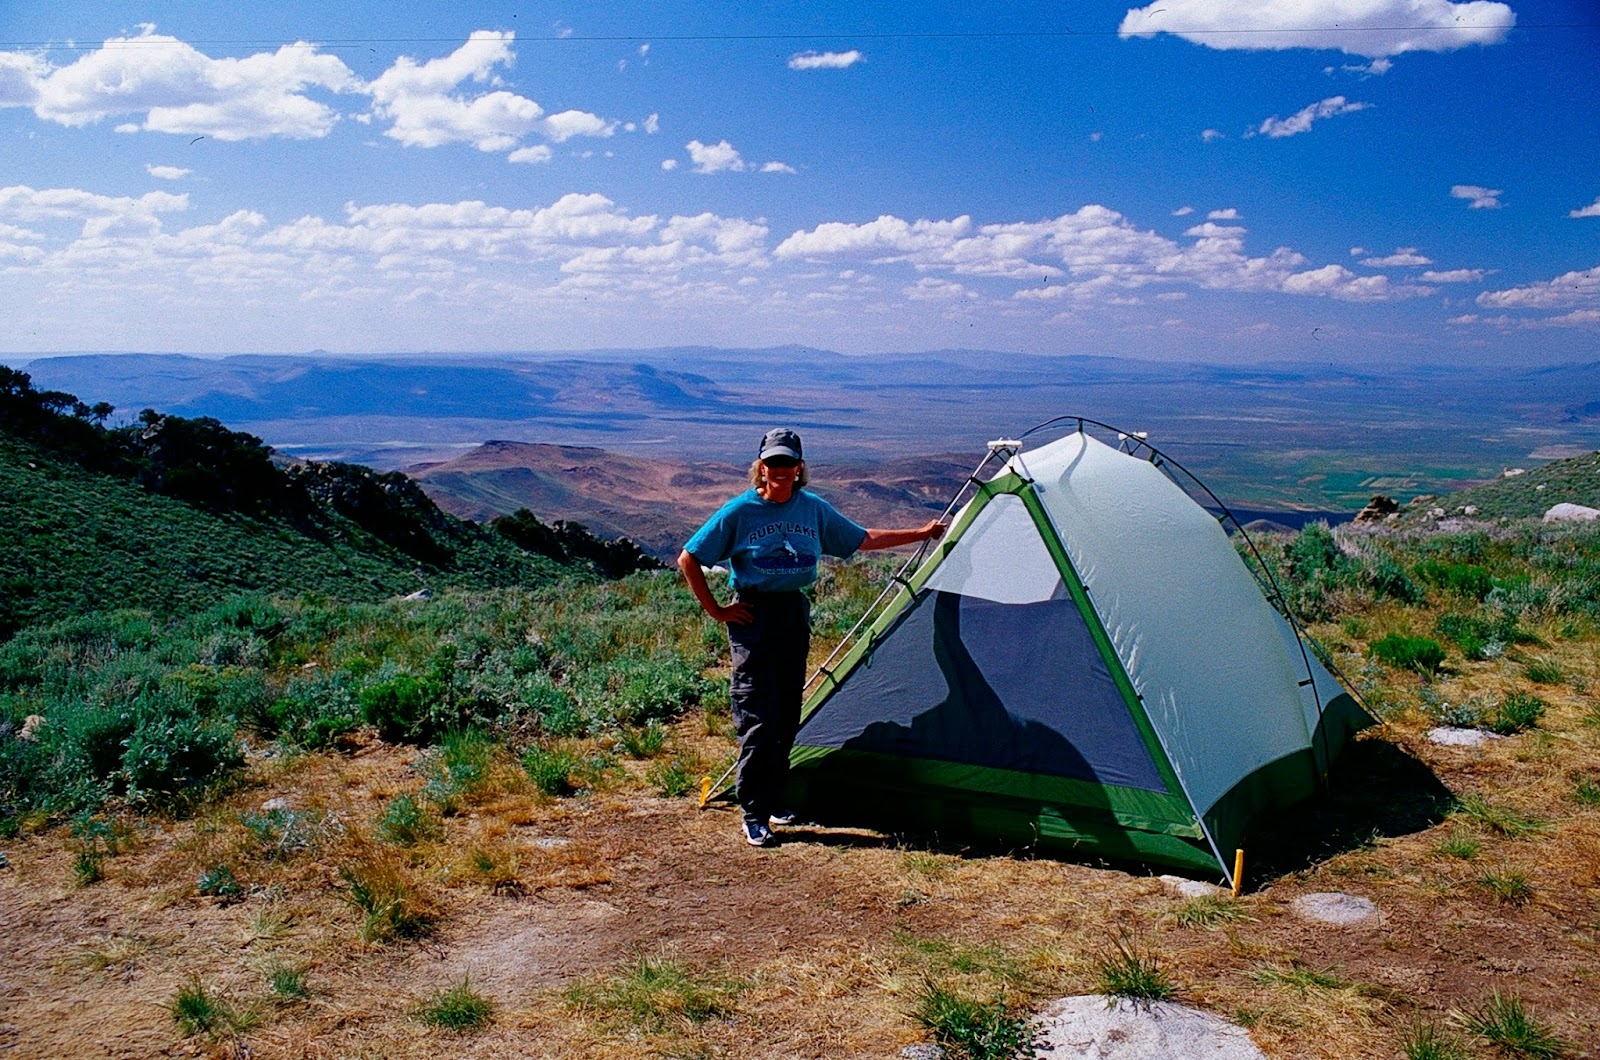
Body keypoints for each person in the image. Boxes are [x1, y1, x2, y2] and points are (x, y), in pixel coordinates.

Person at [678, 428, 947, 847]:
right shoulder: (739, 512)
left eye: (788, 463)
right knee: (758, 715)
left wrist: (920, 533)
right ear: (761, 467)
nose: (781, 470)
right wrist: (718, 611)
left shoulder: (812, 509)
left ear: (799, 467)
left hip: (792, 613)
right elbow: (689, 557)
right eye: (773, 463)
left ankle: (775, 796)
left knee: (787, 712)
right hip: (754, 614)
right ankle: (753, 811)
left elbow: (861, 539)